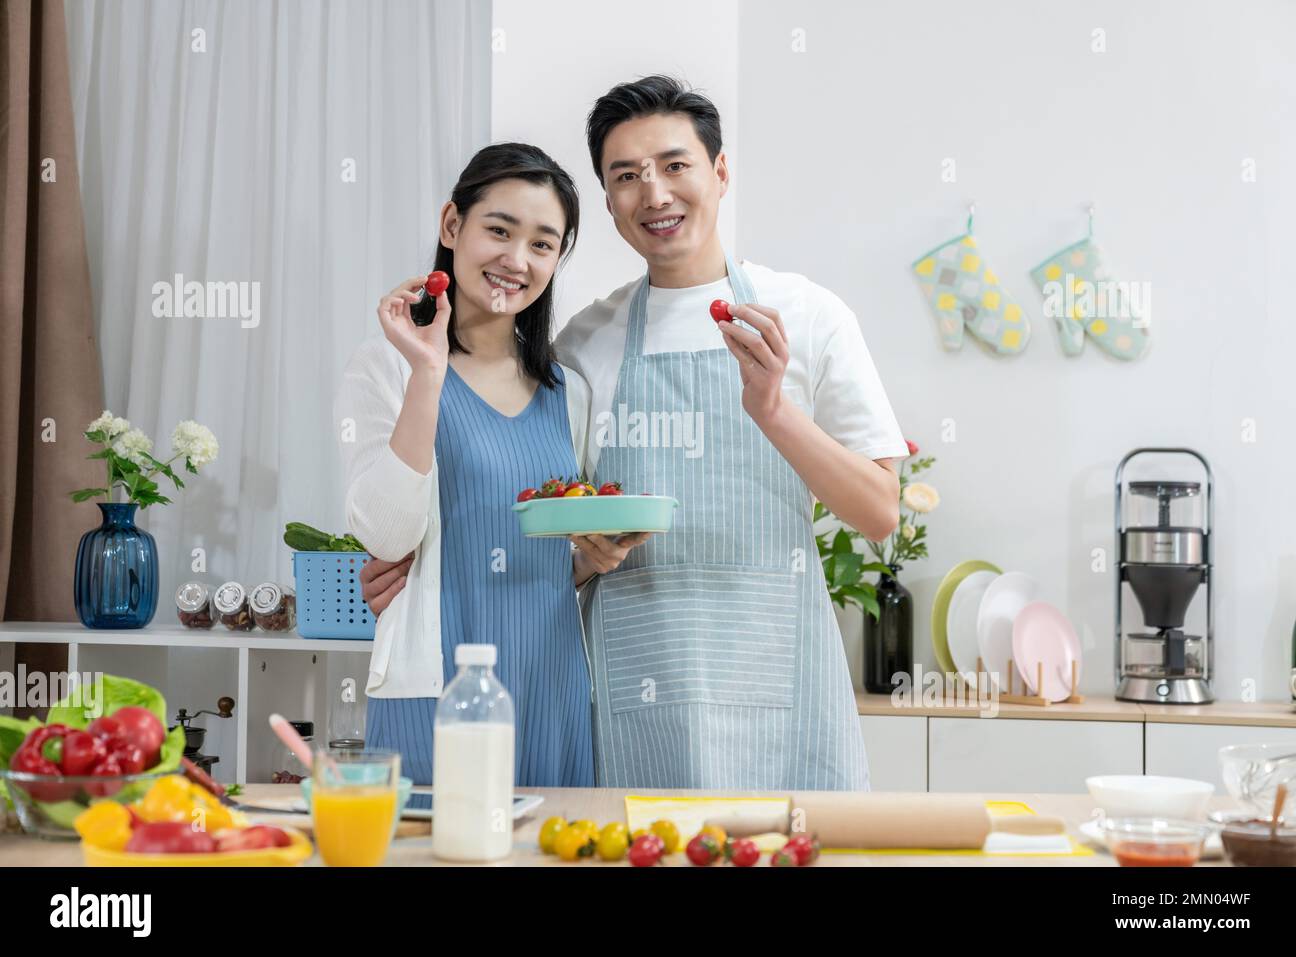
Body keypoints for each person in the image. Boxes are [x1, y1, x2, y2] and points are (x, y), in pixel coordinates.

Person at [552, 75, 909, 791]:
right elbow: (554, 556)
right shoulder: (584, 342)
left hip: (784, 696)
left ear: (719, 172)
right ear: (609, 199)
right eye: (626, 176)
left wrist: (774, 410)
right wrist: (585, 556)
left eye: (675, 165)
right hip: (639, 691)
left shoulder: (807, 315)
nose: (653, 194)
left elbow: (880, 512)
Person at [335, 142, 646, 787]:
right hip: (436, 689)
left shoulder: (571, 393)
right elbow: (386, 535)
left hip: (551, 688)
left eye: (542, 244)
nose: (516, 260)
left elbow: (554, 549)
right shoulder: (388, 367)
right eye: (498, 231)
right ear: (453, 226)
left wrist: (594, 557)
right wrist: (427, 369)